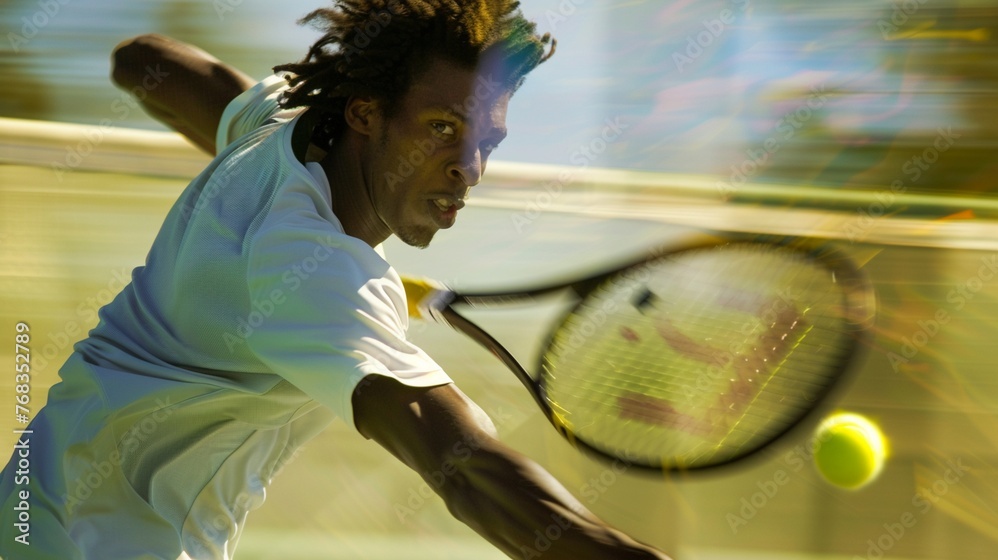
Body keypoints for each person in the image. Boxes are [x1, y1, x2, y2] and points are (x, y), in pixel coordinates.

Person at [0, 1, 671, 559]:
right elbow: (464, 471)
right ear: (365, 113)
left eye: (486, 142)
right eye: (442, 128)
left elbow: (144, 62)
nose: (468, 165)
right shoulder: (316, 275)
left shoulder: (282, 127)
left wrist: (244, 206)